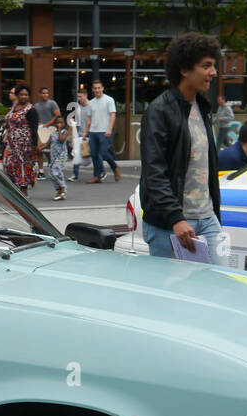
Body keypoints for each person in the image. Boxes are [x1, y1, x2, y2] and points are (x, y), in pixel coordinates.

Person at [138, 33, 229, 264]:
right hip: (169, 225)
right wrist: (175, 218)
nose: (213, 72)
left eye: (213, 65)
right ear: (184, 70)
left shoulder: (203, 108)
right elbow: (154, 172)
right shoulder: (159, 111)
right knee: (173, 296)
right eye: (206, 66)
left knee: (222, 284)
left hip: (207, 218)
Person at [1, 82, 38, 197]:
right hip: (11, 143)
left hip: (24, 144)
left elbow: (34, 129)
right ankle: (14, 189)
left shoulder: (31, 110)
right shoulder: (14, 107)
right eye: (21, 94)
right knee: (7, 165)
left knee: (23, 167)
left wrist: (34, 146)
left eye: (26, 95)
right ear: (17, 95)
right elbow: (9, 120)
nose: (24, 97)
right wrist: (6, 126)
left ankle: (24, 192)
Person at [84, 80, 120, 183]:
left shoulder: (109, 100)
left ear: (102, 88)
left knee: (103, 153)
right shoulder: (91, 102)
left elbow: (113, 115)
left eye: (99, 88)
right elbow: (89, 118)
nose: (97, 90)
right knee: (94, 154)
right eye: (95, 88)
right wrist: (86, 132)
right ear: (92, 89)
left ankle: (115, 167)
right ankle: (97, 176)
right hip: (93, 131)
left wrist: (110, 128)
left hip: (104, 131)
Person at [43, 112, 69, 201]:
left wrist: (59, 130)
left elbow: (61, 140)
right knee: (51, 174)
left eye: (61, 123)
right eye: (57, 123)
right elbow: (47, 144)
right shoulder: (52, 134)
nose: (59, 124)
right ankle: (58, 190)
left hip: (61, 156)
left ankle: (63, 189)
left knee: (56, 171)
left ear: (64, 124)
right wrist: (38, 148)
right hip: (54, 157)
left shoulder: (64, 132)